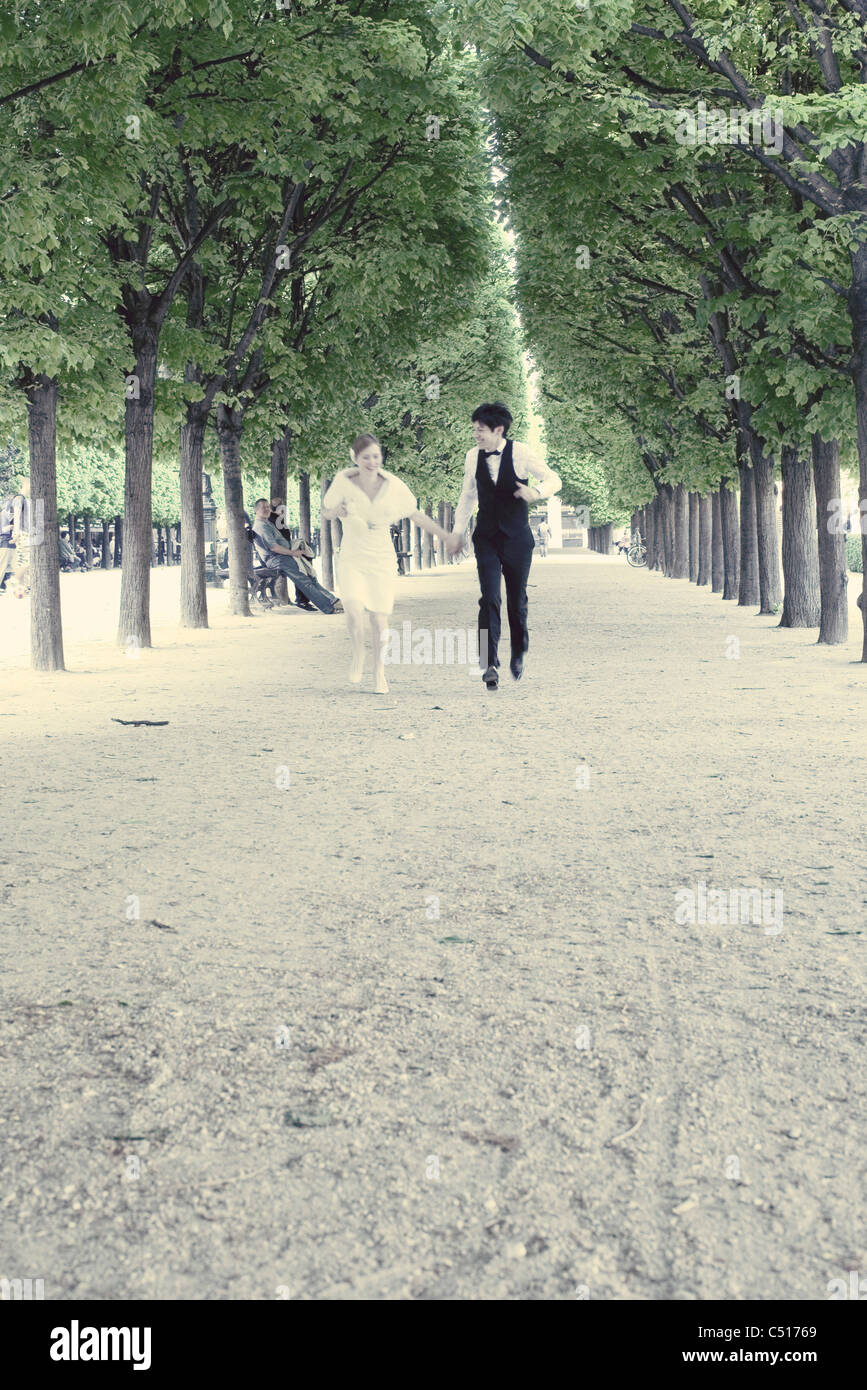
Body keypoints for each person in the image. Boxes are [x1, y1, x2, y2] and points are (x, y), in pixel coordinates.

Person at [321, 433, 452, 694]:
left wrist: (444, 535)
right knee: (354, 611)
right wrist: (337, 512)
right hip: (352, 556)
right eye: (366, 457)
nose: (372, 462)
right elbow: (326, 511)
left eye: (376, 456)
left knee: (379, 621)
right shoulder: (343, 481)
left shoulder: (393, 485)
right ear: (355, 457)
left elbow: (415, 514)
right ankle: (358, 652)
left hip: (381, 558)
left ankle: (379, 672)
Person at [446, 403, 561, 690]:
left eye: (480, 430)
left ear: (498, 430)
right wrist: (458, 531)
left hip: (518, 539)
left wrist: (536, 492)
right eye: (474, 429)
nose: (476, 434)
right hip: (486, 536)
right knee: (489, 598)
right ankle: (489, 664)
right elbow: (467, 496)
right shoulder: (472, 456)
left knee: (516, 600)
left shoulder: (520, 452)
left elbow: (553, 479)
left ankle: (519, 652)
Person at [251, 499, 343, 615]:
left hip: (282, 557)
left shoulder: (266, 522)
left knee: (310, 578)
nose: (266, 509)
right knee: (305, 581)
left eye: (268, 507)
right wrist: (293, 553)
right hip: (278, 558)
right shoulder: (261, 526)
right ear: (256, 510)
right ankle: (328, 607)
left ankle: (333, 601)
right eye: (263, 507)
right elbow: (273, 548)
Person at [268, 499, 316, 609]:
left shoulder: (275, 517)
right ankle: (302, 599)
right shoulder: (270, 519)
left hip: (287, 549)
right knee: (302, 567)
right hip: (283, 552)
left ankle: (303, 599)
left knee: (304, 563)